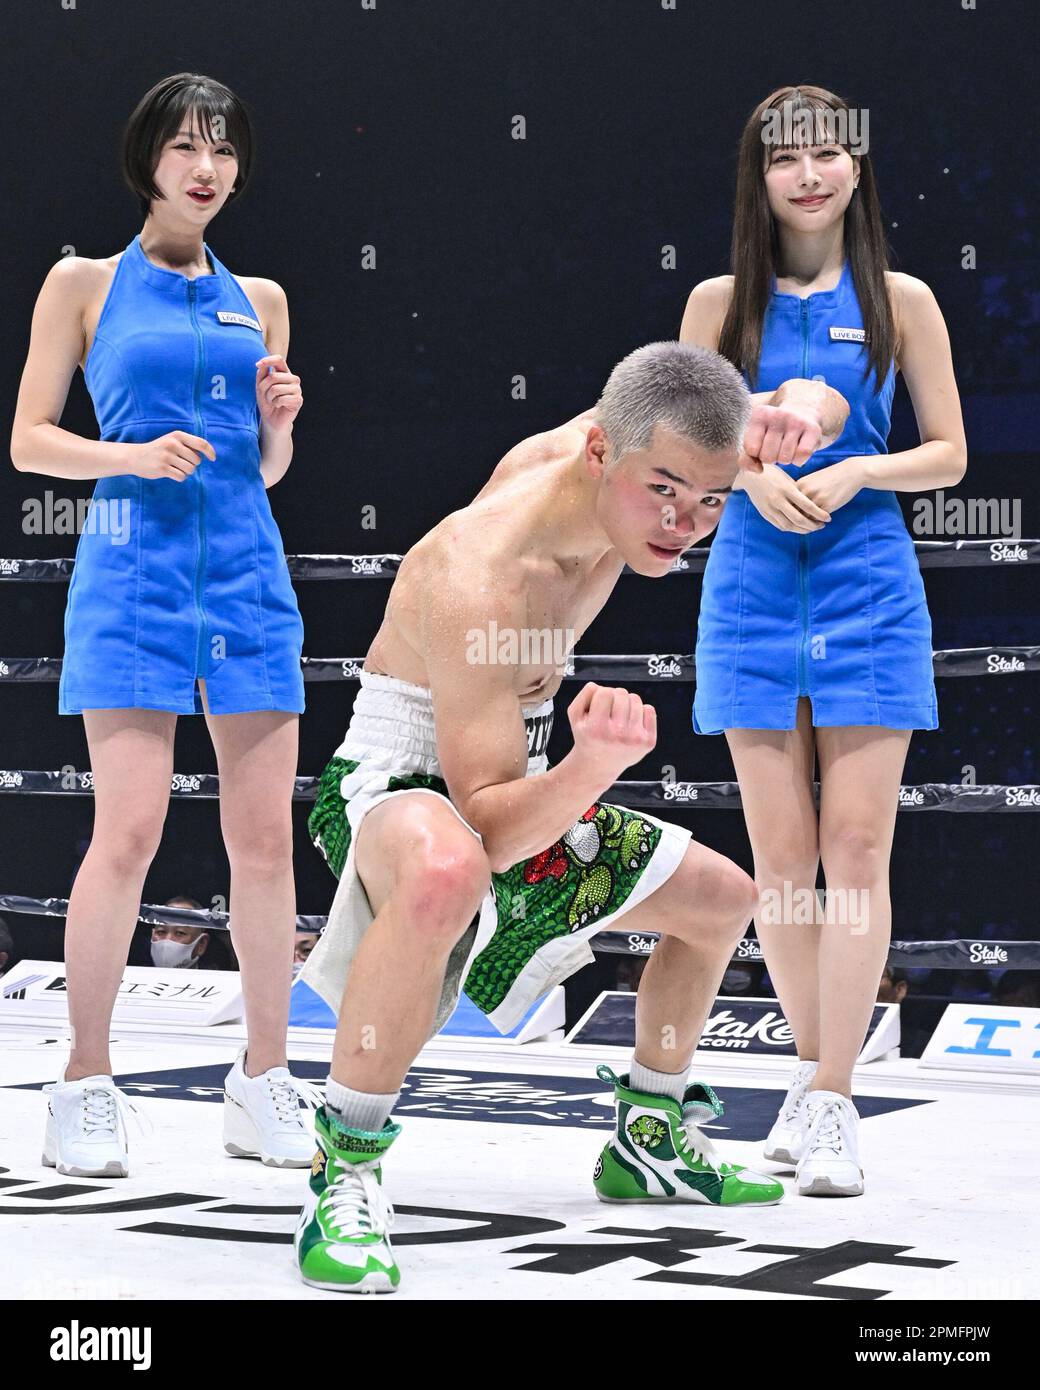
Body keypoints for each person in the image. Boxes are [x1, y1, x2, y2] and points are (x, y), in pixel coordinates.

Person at [296, 339, 850, 1293]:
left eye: (712, 499)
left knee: (723, 900)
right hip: (401, 783)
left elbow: (796, 407)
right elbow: (493, 835)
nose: (685, 524)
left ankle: (649, 1138)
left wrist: (797, 405)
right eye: (666, 493)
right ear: (601, 455)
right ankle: (342, 1169)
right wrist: (593, 765)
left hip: (522, 764)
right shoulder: (488, 577)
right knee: (446, 874)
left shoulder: (638, 434)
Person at [9, 73, 316, 1178]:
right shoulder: (81, 284)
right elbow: (29, 440)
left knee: (266, 841)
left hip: (244, 571)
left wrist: (278, 427)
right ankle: (85, 1078)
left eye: (223, 148)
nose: (207, 165)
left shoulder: (264, 298)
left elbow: (266, 472)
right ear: (148, 160)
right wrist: (130, 455)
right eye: (186, 145)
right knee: (127, 832)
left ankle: (265, 1077)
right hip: (132, 570)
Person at [680, 85, 967, 1196]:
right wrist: (749, 474)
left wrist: (853, 469)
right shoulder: (716, 304)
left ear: (855, 169)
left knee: (855, 855)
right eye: (784, 158)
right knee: (782, 866)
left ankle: (840, 1096)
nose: (808, 174)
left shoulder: (902, 300)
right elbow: (679, 444)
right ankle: (809, 1075)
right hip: (749, 585)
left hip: (865, 579)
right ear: (757, 178)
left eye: (827, 154)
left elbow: (944, 452)